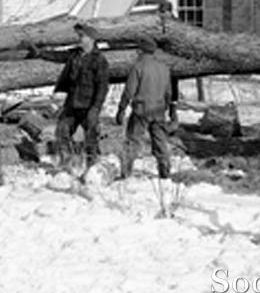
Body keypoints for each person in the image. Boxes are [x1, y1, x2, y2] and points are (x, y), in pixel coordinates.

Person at [53, 21, 110, 168]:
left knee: (91, 137)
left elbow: (102, 87)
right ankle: (66, 162)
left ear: (91, 39)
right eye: (79, 35)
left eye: (82, 36)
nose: (79, 38)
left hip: (89, 105)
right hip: (72, 103)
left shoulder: (99, 60)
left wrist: (96, 108)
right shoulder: (75, 55)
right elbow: (57, 56)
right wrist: (39, 53)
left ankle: (92, 166)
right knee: (62, 131)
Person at [116, 40, 174, 179]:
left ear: (141, 51)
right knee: (160, 143)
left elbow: (129, 91)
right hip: (158, 111)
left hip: (141, 110)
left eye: (138, 51)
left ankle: (126, 173)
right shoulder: (164, 68)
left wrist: (121, 108)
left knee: (133, 141)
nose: (136, 53)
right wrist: (166, 108)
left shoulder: (138, 67)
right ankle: (165, 173)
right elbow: (168, 93)